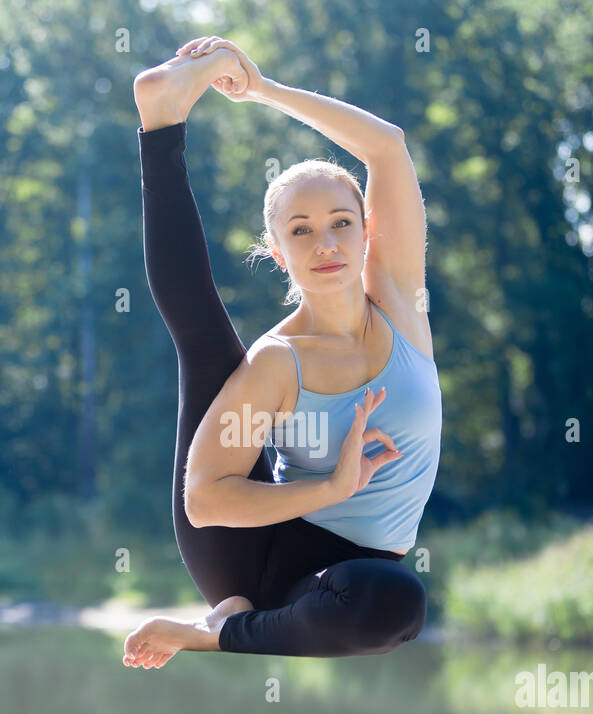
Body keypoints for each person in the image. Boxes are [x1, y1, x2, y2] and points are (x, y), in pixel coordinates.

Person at [124, 37, 441, 668]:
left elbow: (387, 146)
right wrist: (330, 487)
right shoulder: (278, 363)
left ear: (366, 230)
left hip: (341, 583)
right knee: (205, 349)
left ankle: (222, 628)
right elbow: (204, 500)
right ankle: (161, 125)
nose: (324, 242)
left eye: (340, 222)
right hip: (253, 556)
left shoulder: (403, 305)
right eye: (300, 231)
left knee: (391, 601)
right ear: (277, 252)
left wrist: (262, 88)